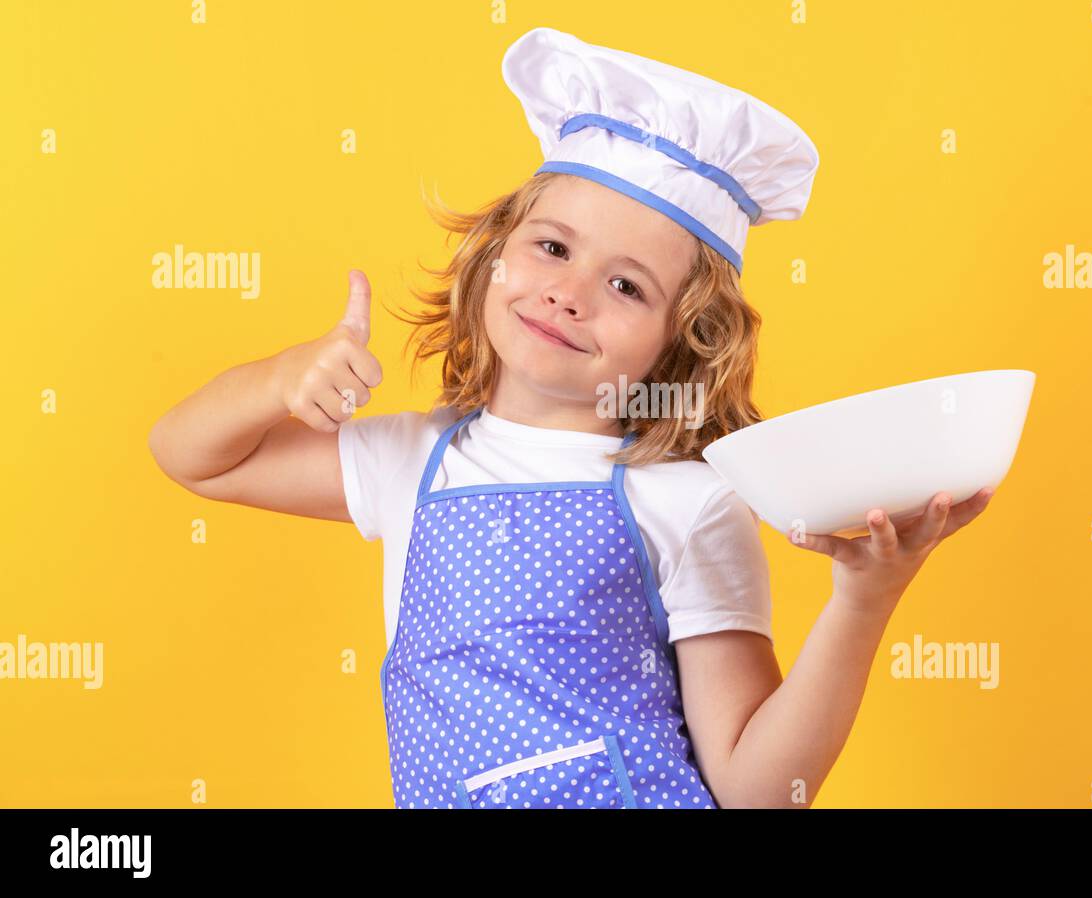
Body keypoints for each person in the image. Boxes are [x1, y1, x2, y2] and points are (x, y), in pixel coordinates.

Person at [148, 27, 993, 809]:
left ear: (682, 344)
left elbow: (761, 792)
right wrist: (280, 378)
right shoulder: (415, 461)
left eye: (627, 286)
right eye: (552, 247)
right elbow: (191, 454)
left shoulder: (685, 503)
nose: (569, 291)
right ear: (493, 254)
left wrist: (864, 599)